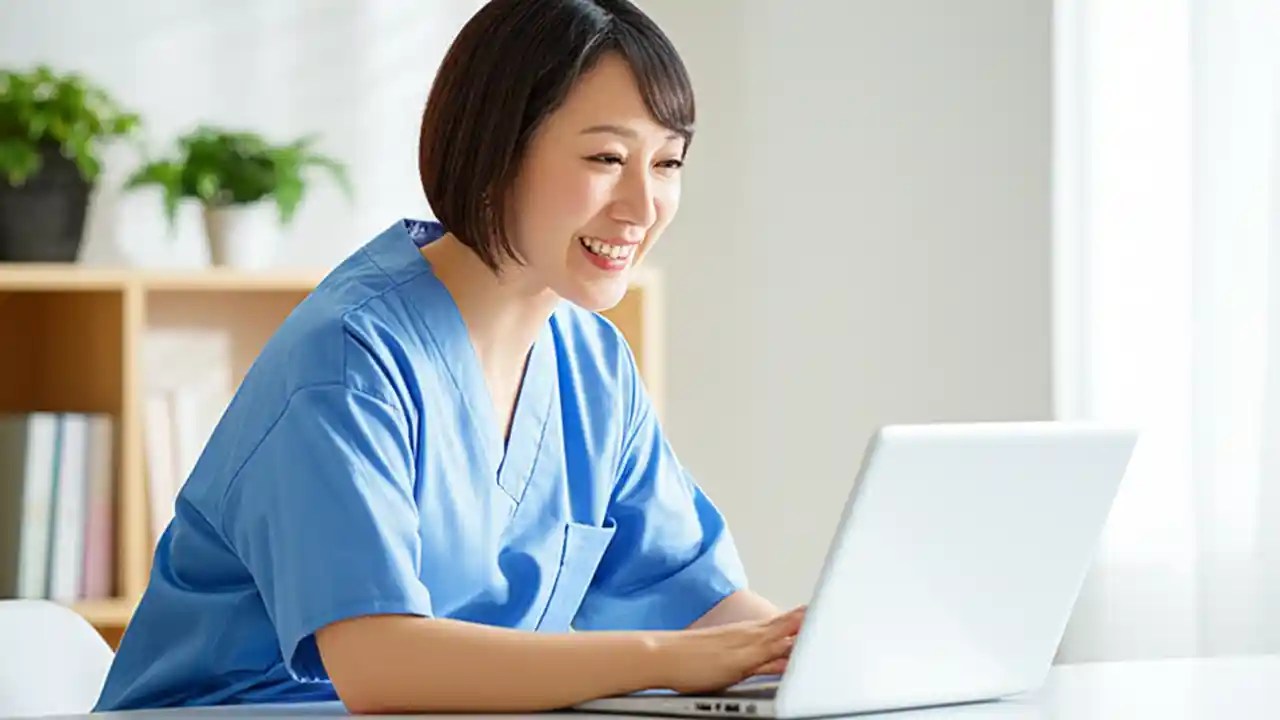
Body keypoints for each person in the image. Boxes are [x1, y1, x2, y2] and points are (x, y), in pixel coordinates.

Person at [94, 0, 803, 713]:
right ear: (498, 147)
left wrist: (805, 648)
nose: (643, 205)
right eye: (607, 158)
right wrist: (666, 660)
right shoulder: (349, 360)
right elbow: (381, 666)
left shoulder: (593, 366)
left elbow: (700, 606)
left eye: (668, 162)